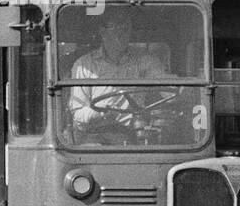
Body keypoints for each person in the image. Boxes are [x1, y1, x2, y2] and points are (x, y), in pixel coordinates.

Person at [68, 9, 168, 137]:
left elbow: (167, 88)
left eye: (126, 27)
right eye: (116, 27)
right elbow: (78, 115)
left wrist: (181, 91)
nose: (123, 32)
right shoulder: (84, 65)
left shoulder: (145, 60)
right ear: (102, 32)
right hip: (96, 135)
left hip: (137, 133)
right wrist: (101, 114)